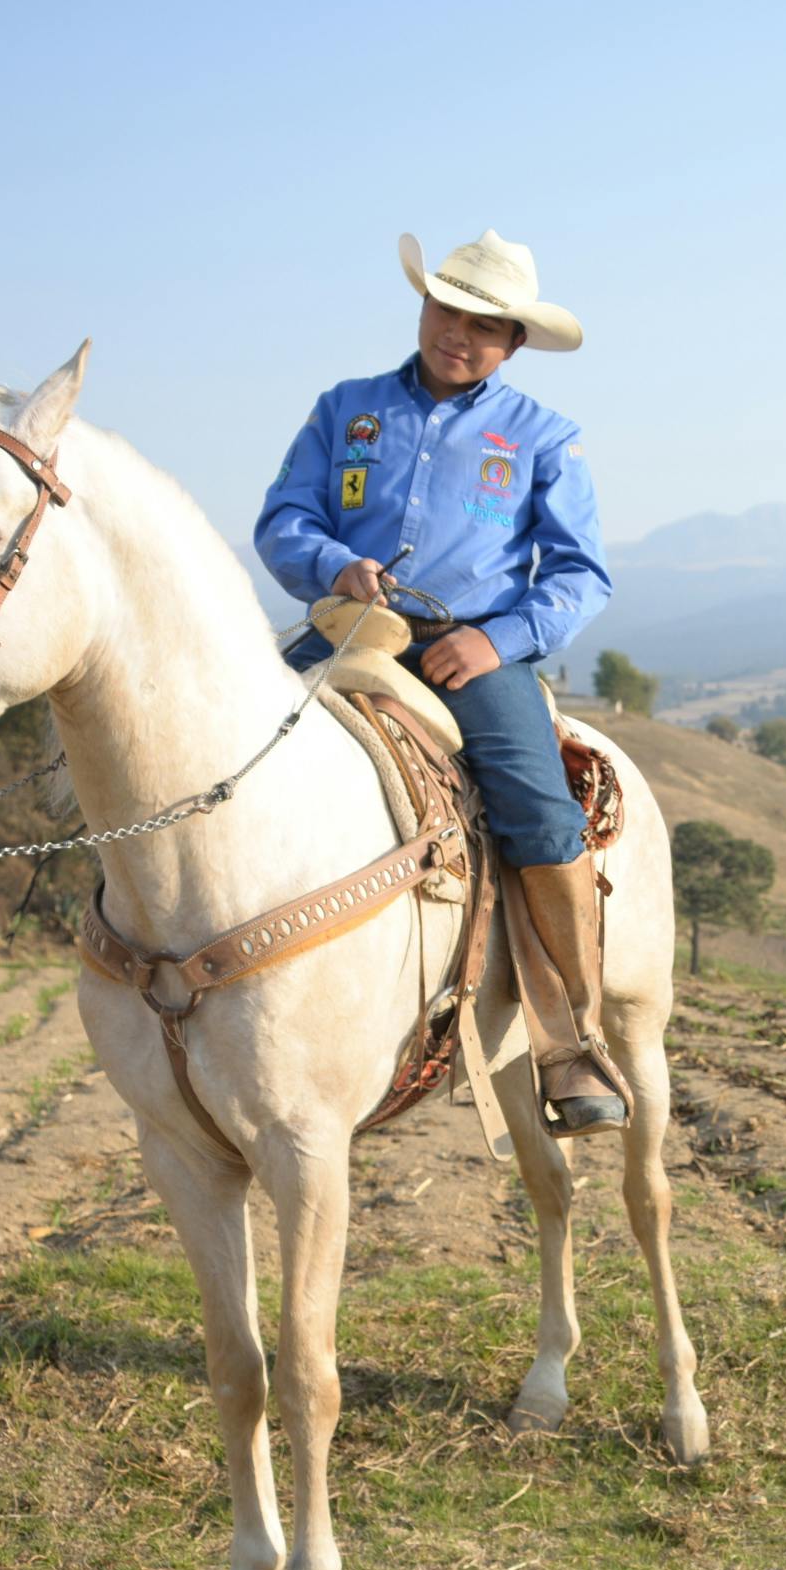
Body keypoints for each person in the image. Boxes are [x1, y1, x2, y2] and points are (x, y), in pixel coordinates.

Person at [254, 227, 627, 1135]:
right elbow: (283, 520)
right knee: (240, 744)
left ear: (515, 345)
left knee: (541, 813)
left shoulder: (546, 438)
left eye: (485, 326)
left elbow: (581, 576)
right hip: (347, 631)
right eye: (448, 309)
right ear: (424, 306)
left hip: (475, 651)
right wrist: (336, 564)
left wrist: (498, 642)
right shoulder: (346, 409)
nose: (459, 333)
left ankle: (573, 1040)